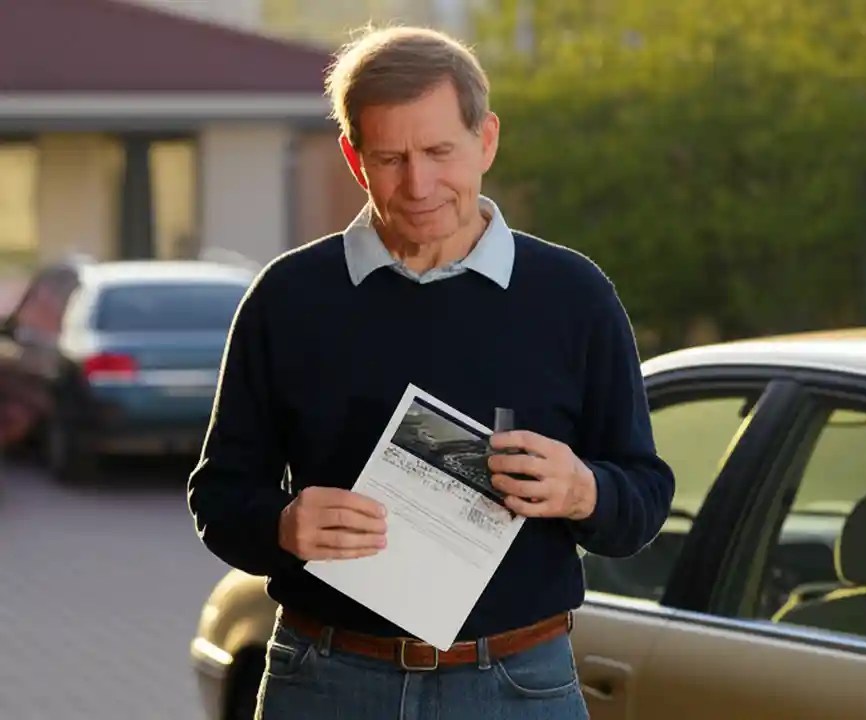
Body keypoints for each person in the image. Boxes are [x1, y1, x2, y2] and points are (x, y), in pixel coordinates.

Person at [187, 24, 675, 719]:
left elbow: (646, 496)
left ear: (487, 140)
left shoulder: (573, 297)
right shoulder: (288, 299)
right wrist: (282, 524)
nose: (418, 185)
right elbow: (219, 495)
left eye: (439, 152)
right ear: (355, 160)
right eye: (391, 158)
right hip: (325, 681)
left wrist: (584, 490)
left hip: (517, 686)